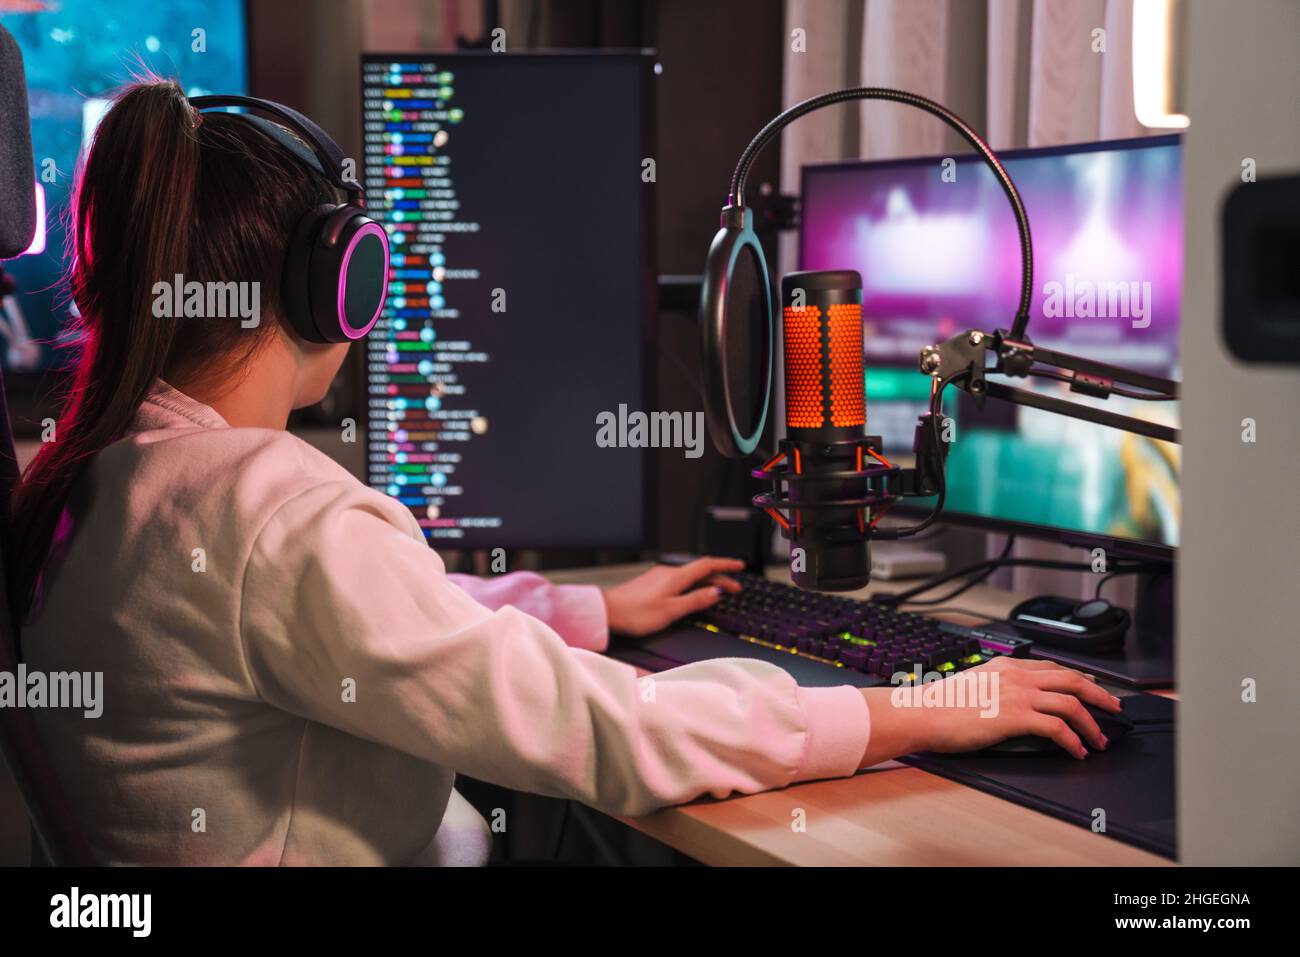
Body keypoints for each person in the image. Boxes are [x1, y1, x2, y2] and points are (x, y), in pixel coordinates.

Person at [13, 79, 1121, 866]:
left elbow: (354, 626)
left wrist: (566, 606)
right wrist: (920, 711)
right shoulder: (274, 511)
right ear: (338, 285)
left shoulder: (114, 475)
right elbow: (612, 736)